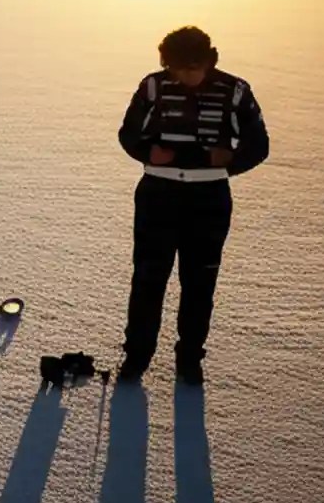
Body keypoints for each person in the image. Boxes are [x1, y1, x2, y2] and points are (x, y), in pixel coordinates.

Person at [115, 25, 269, 385]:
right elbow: (128, 132)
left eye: (193, 68)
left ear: (209, 62)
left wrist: (227, 160)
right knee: (148, 279)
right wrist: (146, 152)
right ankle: (136, 356)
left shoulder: (235, 91)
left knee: (200, 282)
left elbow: (259, 145)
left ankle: (189, 359)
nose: (185, 77)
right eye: (177, 68)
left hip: (208, 200)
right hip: (157, 196)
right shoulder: (152, 86)